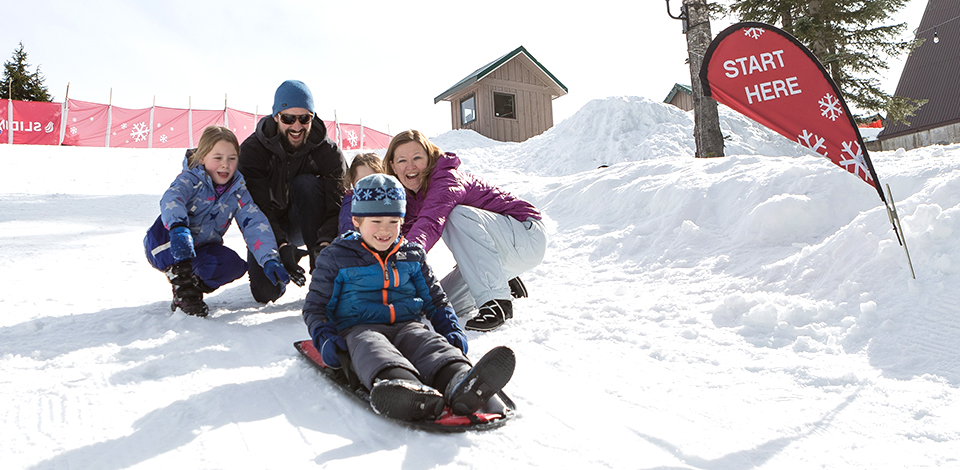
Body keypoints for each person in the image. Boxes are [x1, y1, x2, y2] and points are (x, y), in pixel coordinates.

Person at [302, 174, 516, 421]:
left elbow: (435, 300)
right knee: (372, 348)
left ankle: (461, 382)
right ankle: (404, 387)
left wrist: (451, 330)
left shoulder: (412, 254)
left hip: (407, 324)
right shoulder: (336, 257)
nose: (385, 229)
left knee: (429, 344)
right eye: (376, 220)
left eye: (394, 221)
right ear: (356, 221)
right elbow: (316, 307)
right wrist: (326, 339)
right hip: (358, 327)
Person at [383, 130, 546, 331]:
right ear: (392, 166)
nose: (410, 166)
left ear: (430, 158)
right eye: (402, 160)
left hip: (525, 234)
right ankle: (503, 278)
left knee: (455, 214)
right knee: (433, 304)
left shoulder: (445, 179)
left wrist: (404, 258)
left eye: (417, 157)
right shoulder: (410, 198)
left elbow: (429, 223)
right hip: (499, 250)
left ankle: (496, 302)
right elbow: (404, 238)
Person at [144, 126, 290, 317]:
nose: (225, 165)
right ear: (203, 157)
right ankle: (182, 287)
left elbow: (254, 223)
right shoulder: (191, 180)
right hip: (166, 241)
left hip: (202, 247)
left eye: (232, 158)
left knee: (233, 265)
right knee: (181, 244)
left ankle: (193, 285)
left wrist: (270, 259)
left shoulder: (237, 191)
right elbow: (172, 198)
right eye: (218, 158)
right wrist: (178, 227)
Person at [238, 79, 347, 303]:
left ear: (312, 118)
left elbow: (337, 204)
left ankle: (321, 273)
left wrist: (324, 244)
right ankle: (279, 268)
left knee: (306, 183)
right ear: (276, 116)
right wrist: (280, 245)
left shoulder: (328, 151)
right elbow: (255, 207)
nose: (296, 127)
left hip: (309, 222)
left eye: (304, 118)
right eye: (288, 118)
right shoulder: (252, 151)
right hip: (268, 223)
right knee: (265, 294)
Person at [338, 152, 384, 236]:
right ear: (353, 182)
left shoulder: (389, 201)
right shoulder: (350, 205)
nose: (367, 187)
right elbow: (347, 233)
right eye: (361, 182)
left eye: (373, 181)